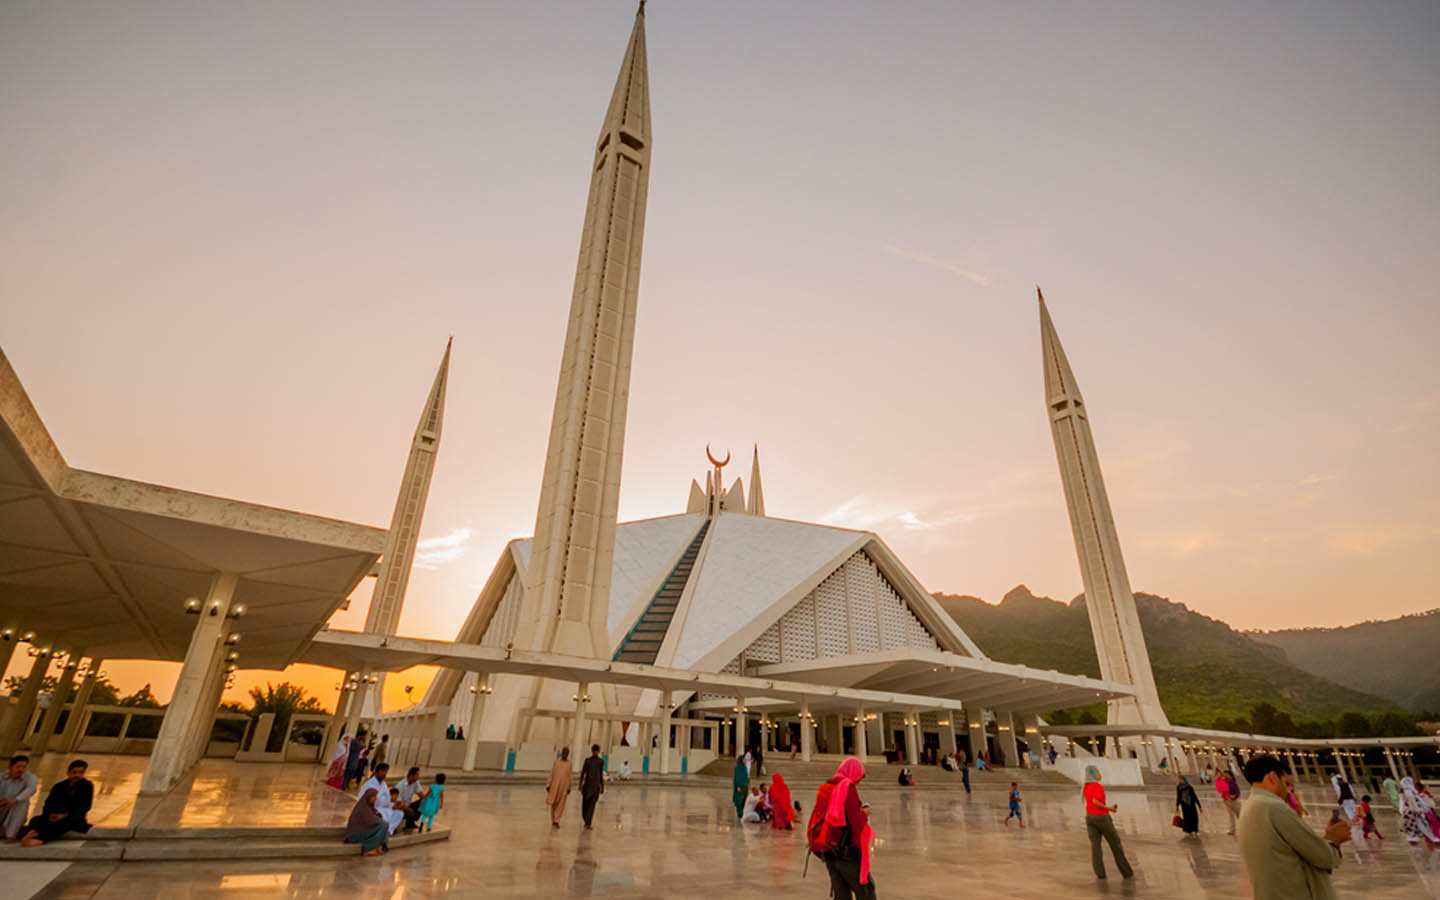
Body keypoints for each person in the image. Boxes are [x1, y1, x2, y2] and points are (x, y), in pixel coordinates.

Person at [1237, 755, 1350, 900]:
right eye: (1285, 782)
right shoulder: (1273, 807)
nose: (1288, 789)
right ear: (1272, 777)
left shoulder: (1249, 806)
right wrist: (1334, 840)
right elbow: (1323, 857)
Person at [808, 757, 876, 900]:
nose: (858, 782)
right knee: (866, 891)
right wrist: (864, 814)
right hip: (846, 851)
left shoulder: (826, 787)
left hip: (827, 850)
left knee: (841, 893)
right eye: (859, 777)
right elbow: (856, 824)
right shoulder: (847, 788)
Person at [20, 760, 93, 847]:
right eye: (74, 772)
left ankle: (40, 839)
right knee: (36, 820)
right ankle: (31, 835)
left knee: (62, 824)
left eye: (81, 772)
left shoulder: (87, 786)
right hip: (55, 815)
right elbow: (49, 803)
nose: (77, 775)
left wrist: (64, 815)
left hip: (74, 818)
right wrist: (51, 815)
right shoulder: (59, 786)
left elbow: (85, 806)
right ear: (68, 773)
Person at [1083, 766, 1134, 880]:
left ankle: (1100, 873)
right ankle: (1126, 872)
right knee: (1115, 844)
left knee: (1095, 846)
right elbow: (1095, 801)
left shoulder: (1086, 787)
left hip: (1090, 818)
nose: (1100, 773)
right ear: (1094, 774)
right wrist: (1110, 808)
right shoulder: (1097, 786)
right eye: (1098, 771)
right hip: (1102, 818)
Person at [0, 755, 38, 843]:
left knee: (22, 802)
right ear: (10, 767)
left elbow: (31, 790)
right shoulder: (1, 777)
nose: (21, 770)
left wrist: (14, 800)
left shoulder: (30, 778)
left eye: (23, 767)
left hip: (14, 808)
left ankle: (10, 835)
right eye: (18, 767)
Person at [359, 763, 403, 835]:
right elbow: (361, 799)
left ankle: (389, 830)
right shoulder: (369, 784)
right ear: (377, 772)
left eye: (386, 771)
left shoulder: (384, 785)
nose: (384, 773)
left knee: (399, 813)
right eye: (383, 771)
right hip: (373, 810)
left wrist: (394, 805)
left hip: (384, 809)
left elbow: (387, 800)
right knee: (380, 816)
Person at [344, 788, 388, 856]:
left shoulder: (368, 806)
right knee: (383, 825)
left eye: (376, 796)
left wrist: (378, 817)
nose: (376, 798)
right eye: (374, 796)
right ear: (369, 797)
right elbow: (371, 821)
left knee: (384, 824)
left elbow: (375, 815)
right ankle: (368, 849)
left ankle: (379, 846)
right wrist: (379, 819)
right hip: (355, 835)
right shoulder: (363, 807)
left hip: (363, 831)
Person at [1397, 776, 1440, 846]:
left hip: (1408, 812)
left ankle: (1413, 839)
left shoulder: (1405, 791)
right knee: (1423, 825)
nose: (1413, 783)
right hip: (1413, 812)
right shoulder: (1409, 791)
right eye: (1412, 781)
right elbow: (1412, 802)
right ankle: (1434, 839)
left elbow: (1402, 802)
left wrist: (1402, 811)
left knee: (1414, 826)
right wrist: (1418, 811)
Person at [578, 744, 604, 830]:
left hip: (595, 787)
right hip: (587, 786)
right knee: (585, 805)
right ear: (592, 751)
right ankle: (586, 820)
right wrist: (580, 784)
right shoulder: (587, 761)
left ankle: (588, 823)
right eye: (594, 751)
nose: (595, 753)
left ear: (598, 751)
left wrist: (602, 785)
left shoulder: (600, 761)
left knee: (592, 806)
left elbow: (600, 774)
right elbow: (583, 773)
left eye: (597, 751)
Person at [546, 748, 573, 829]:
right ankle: (553, 819)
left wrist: (569, 787)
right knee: (554, 803)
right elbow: (552, 773)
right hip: (555, 785)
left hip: (564, 787)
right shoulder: (556, 762)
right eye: (564, 752)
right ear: (562, 753)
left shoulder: (569, 764)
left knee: (561, 804)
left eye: (567, 752)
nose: (565, 754)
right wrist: (548, 784)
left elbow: (570, 776)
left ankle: (557, 820)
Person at [395, 766, 425, 831]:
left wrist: (423, 800)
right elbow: (398, 803)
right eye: (417, 774)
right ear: (411, 775)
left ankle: (411, 822)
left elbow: (421, 794)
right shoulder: (400, 785)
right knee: (407, 811)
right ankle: (406, 820)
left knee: (423, 802)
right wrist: (408, 809)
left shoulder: (416, 782)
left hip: (408, 805)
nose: (418, 776)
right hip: (399, 806)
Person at [1217, 769, 1242, 835]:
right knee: (1231, 815)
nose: (1226, 776)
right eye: (1225, 775)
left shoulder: (1233, 783)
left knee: (1239, 814)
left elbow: (1238, 792)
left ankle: (1244, 827)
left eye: (1227, 774)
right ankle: (1232, 830)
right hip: (1227, 801)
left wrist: (1235, 796)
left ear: (1230, 775)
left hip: (1234, 801)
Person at [731, 755, 749, 820]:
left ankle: (743, 812)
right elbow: (737, 777)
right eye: (744, 759)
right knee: (739, 800)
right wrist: (738, 786)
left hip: (745, 786)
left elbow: (746, 777)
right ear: (741, 760)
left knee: (744, 799)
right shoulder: (738, 767)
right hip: (740, 786)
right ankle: (740, 813)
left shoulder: (744, 767)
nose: (745, 760)